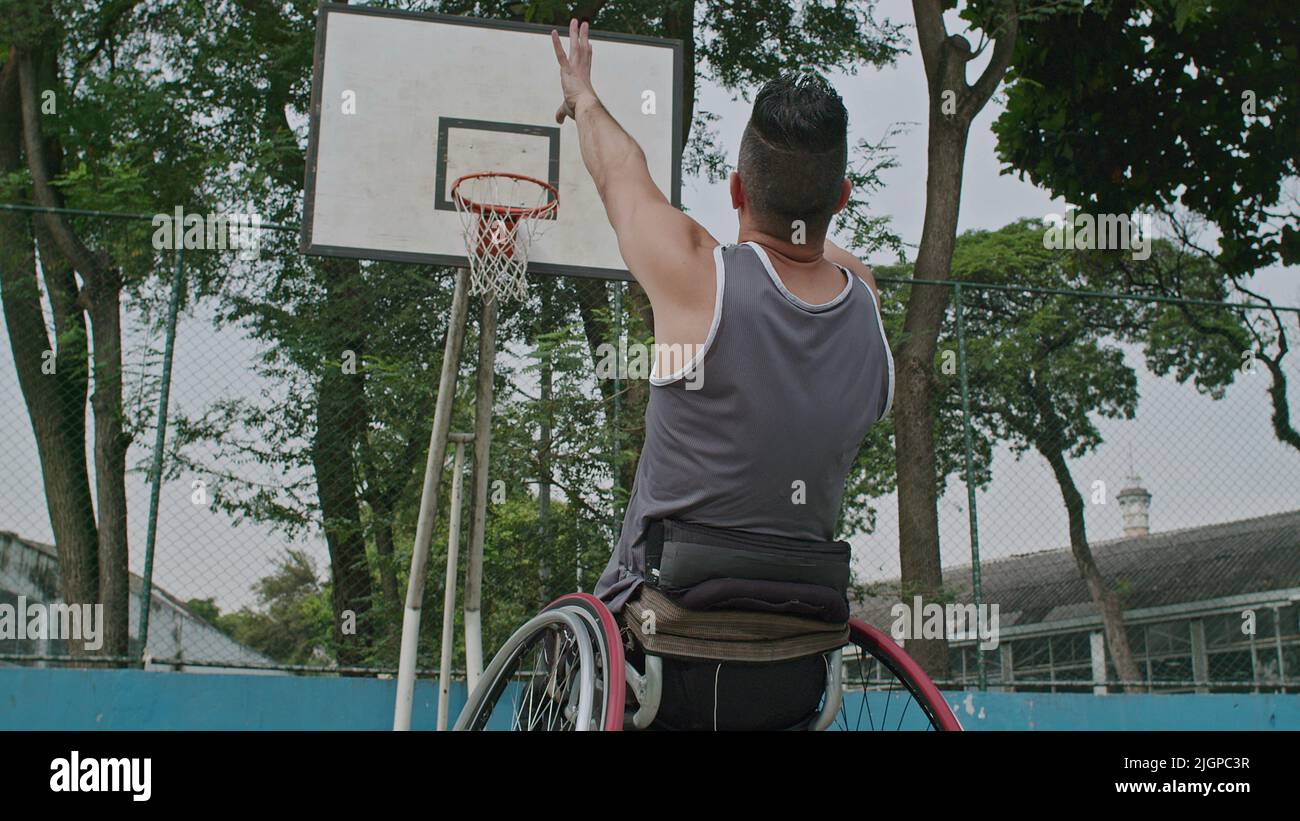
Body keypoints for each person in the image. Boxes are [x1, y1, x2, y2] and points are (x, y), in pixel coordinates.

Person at [551, 19, 893, 729]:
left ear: (736, 186)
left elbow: (621, 172)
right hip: (794, 669)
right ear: (843, 198)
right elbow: (834, 266)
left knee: (562, 652)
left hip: (656, 650)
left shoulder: (697, 277)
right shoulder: (869, 314)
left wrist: (584, 94)